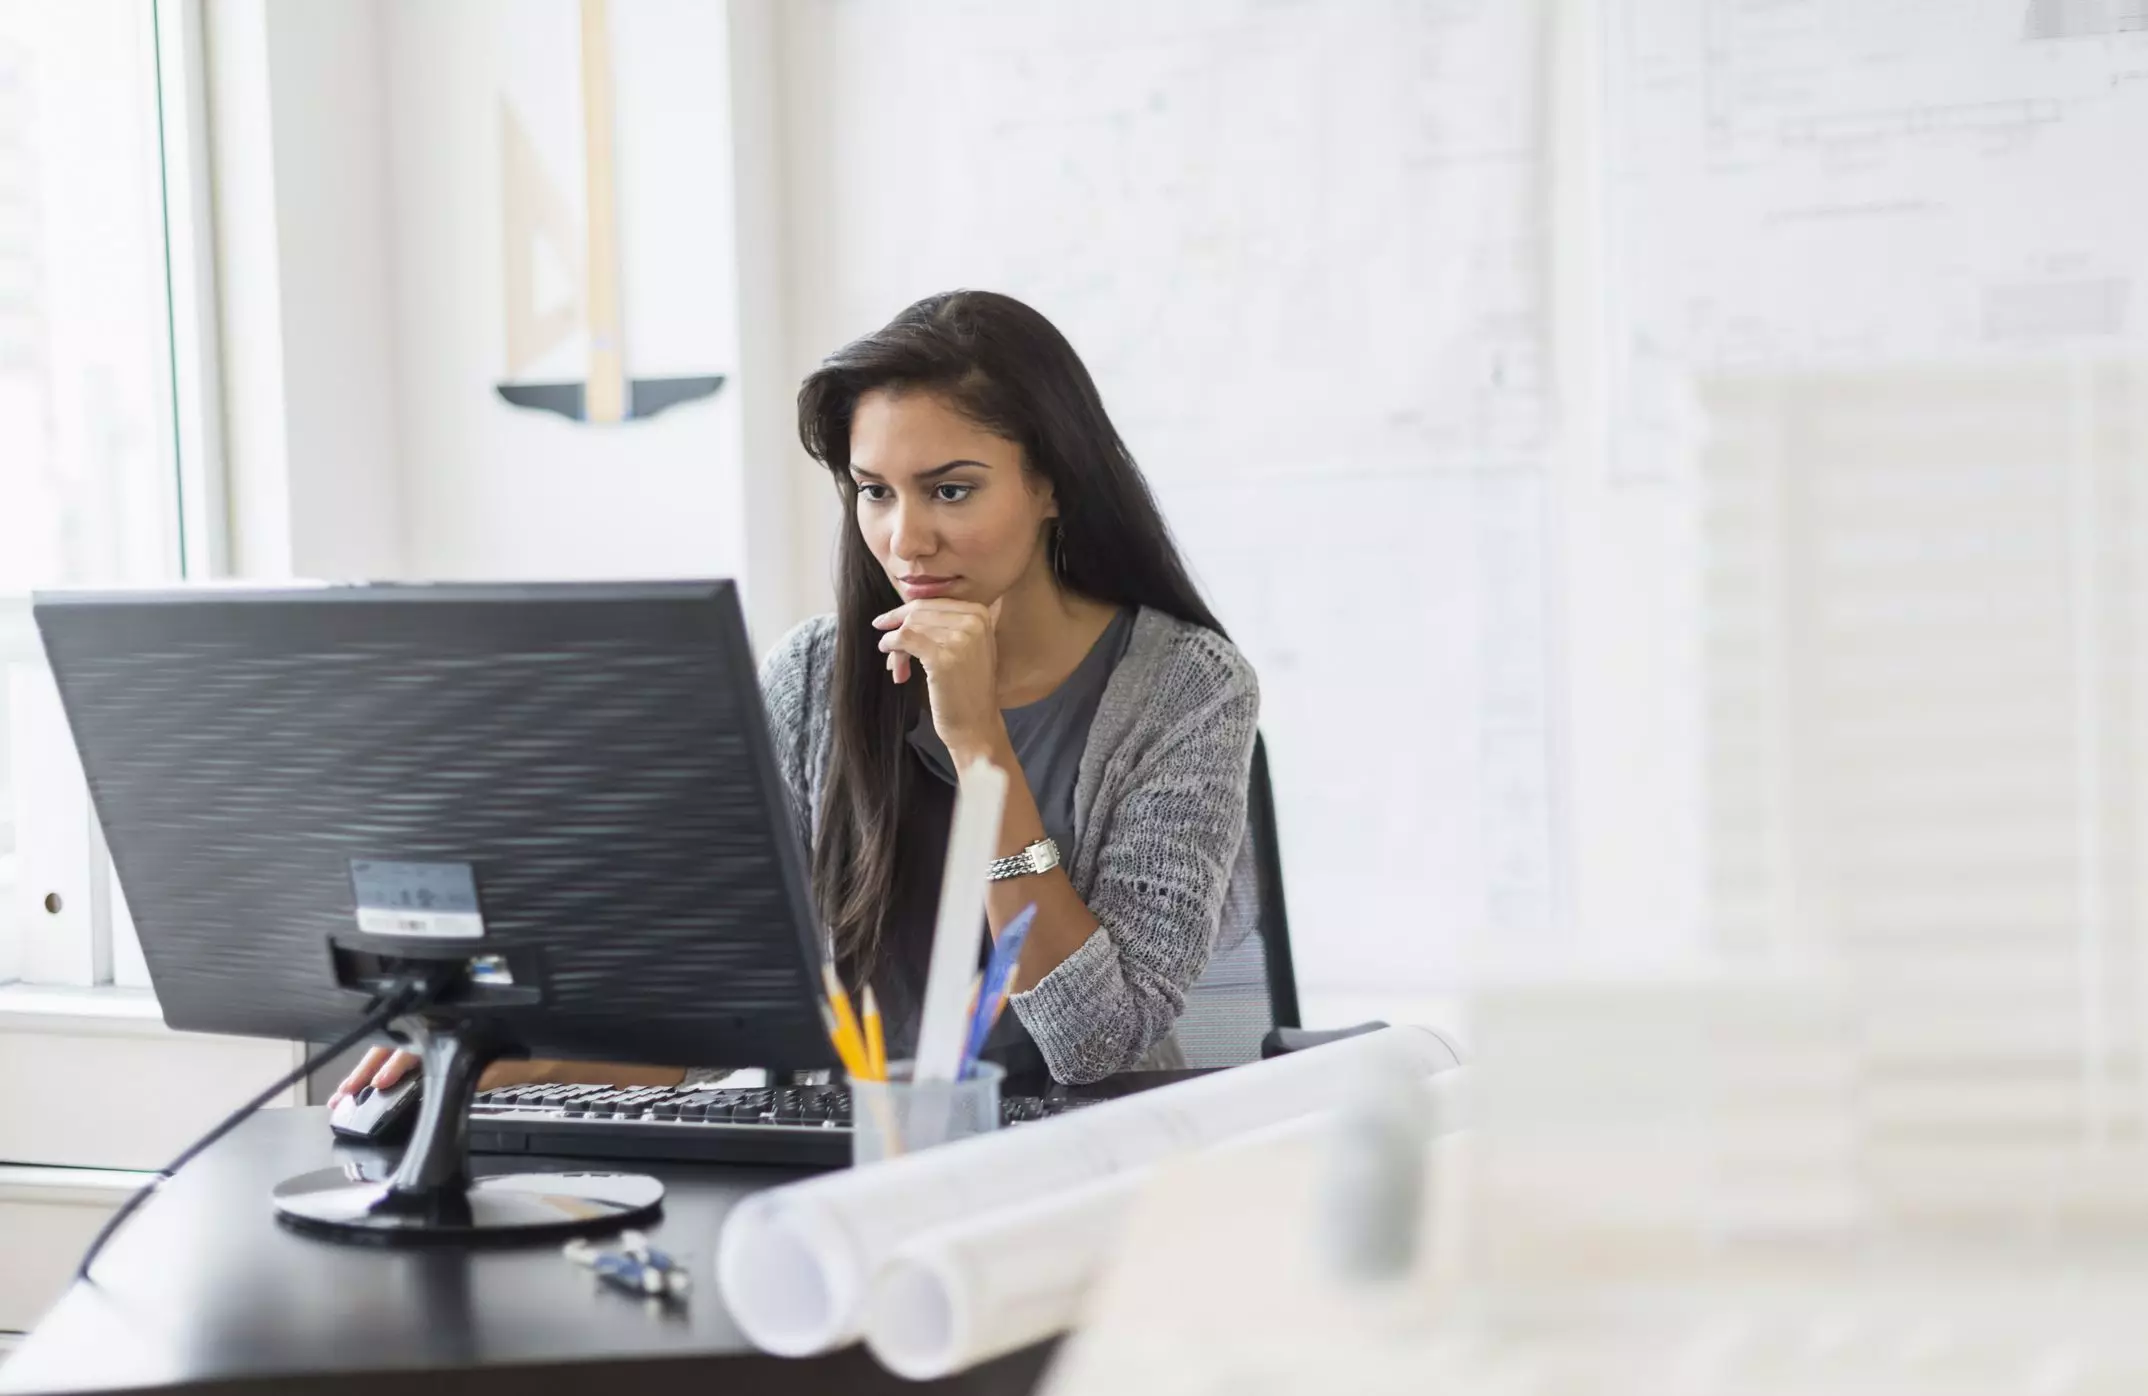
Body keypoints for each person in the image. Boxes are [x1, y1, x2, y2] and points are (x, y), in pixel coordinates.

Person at [332, 289, 1258, 1099]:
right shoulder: (816, 675)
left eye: (950, 491)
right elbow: (725, 1006)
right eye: (875, 493)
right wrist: (533, 1060)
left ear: (1051, 482)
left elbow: (1097, 1047)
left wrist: (981, 751)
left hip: (1072, 1182)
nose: (904, 540)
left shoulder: (1186, 691)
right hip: (841, 1173)